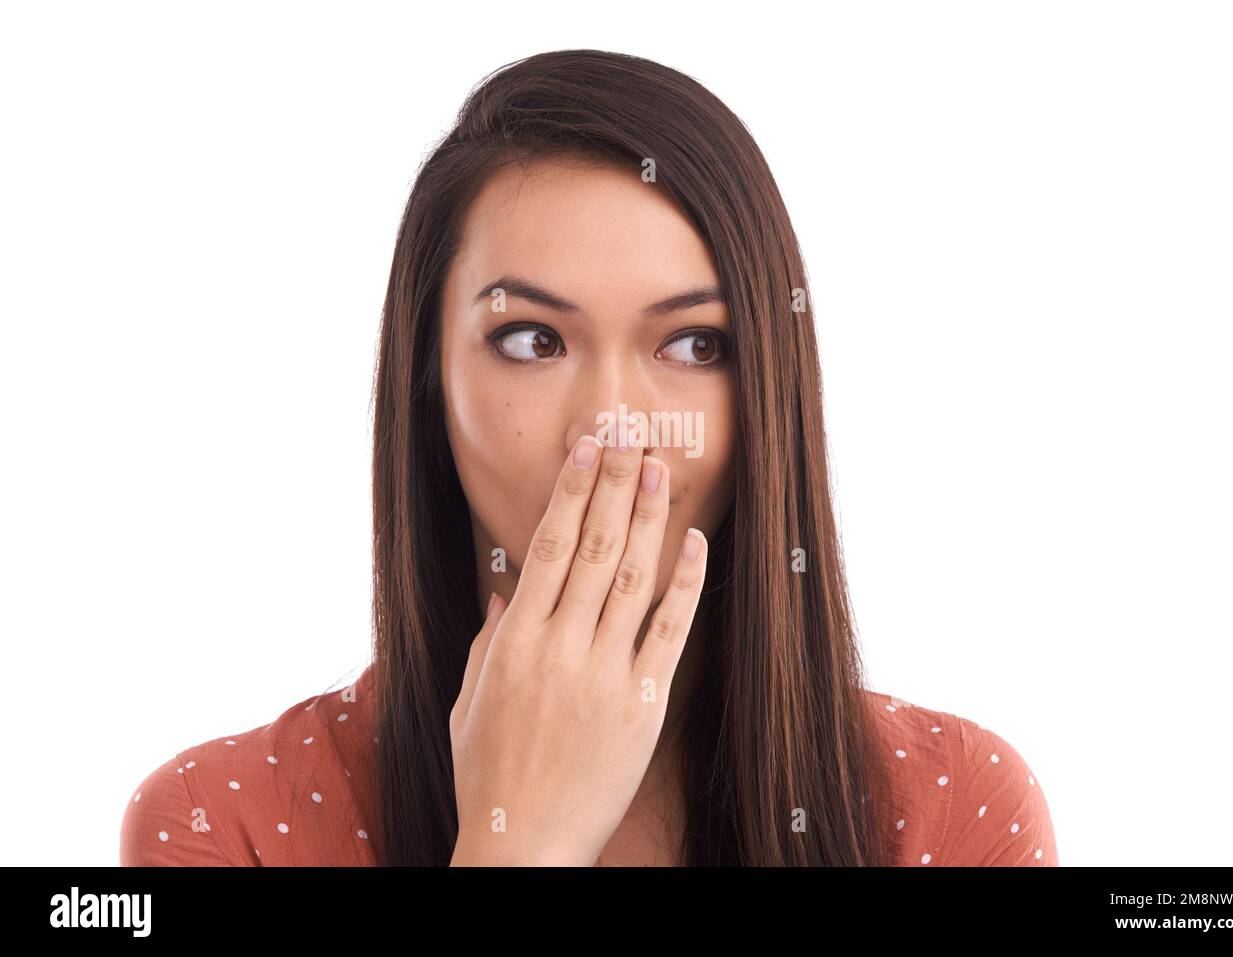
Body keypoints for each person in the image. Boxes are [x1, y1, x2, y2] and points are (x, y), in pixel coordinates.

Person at [121, 49, 1057, 867]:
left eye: (693, 345)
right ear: (427, 378)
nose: (611, 427)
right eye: (531, 340)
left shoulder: (954, 807)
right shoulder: (221, 821)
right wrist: (516, 842)